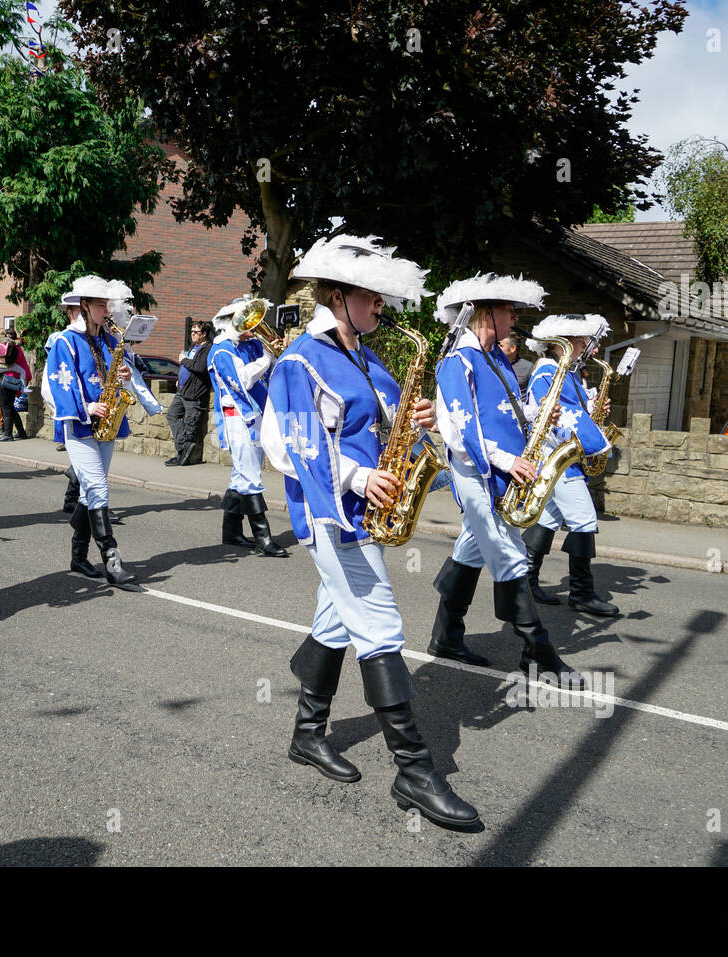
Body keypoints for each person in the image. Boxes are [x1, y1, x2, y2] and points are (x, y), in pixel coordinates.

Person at [261, 235, 479, 830]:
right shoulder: (299, 361)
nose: (382, 307)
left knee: (336, 618)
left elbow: (391, 427)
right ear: (338, 296)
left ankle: (307, 732)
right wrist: (357, 477)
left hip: (364, 510)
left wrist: (423, 418)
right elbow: (287, 444)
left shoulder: (369, 357)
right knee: (379, 622)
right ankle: (413, 769)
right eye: (372, 297)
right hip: (332, 513)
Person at [428, 274, 592, 690]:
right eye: (508, 310)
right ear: (485, 312)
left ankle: (446, 635)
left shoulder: (494, 358)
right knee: (508, 553)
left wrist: (538, 419)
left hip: (501, 467)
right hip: (476, 470)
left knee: (471, 549)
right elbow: (458, 427)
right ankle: (538, 652)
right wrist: (506, 459)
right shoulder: (457, 360)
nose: (514, 317)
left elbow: (507, 411)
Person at [522, 315, 618, 616]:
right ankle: (581, 593)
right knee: (584, 520)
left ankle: (527, 581)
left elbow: (572, 409)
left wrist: (592, 408)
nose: (584, 346)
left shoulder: (566, 373)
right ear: (558, 344)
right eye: (578, 341)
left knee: (548, 518)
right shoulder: (547, 373)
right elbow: (550, 418)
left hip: (558, 459)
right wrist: (586, 438)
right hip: (557, 458)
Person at [46, 275, 138, 585]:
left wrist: (125, 375)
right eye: (101, 305)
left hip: (107, 424)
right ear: (83, 306)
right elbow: (60, 384)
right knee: (98, 488)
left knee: (89, 492)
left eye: (108, 305)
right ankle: (111, 558)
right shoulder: (64, 340)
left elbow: (119, 378)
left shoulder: (110, 340)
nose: (107, 311)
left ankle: (78, 557)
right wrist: (86, 407)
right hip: (81, 425)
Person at [207, 299, 286, 556]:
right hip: (237, 416)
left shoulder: (249, 344)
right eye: (246, 320)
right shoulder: (221, 351)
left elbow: (266, 374)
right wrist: (267, 356)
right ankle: (263, 538)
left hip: (257, 413)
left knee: (241, 475)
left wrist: (275, 354)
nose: (253, 326)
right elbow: (242, 380)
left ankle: (230, 532)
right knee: (251, 476)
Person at [165, 318, 212, 466]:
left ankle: (183, 455)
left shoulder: (208, 349)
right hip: (182, 390)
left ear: (204, 334)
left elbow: (200, 368)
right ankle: (183, 447)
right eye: (191, 331)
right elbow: (190, 367)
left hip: (195, 394)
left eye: (196, 332)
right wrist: (180, 378)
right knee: (172, 415)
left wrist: (183, 360)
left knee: (191, 426)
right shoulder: (194, 347)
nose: (192, 334)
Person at [0, 328, 30, 442]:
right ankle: (21, 432)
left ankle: (8, 434)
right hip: (13, 378)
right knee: (11, 407)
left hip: (8, 378)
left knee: (6, 406)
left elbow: (7, 361)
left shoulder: (10, 347)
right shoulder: (16, 347)